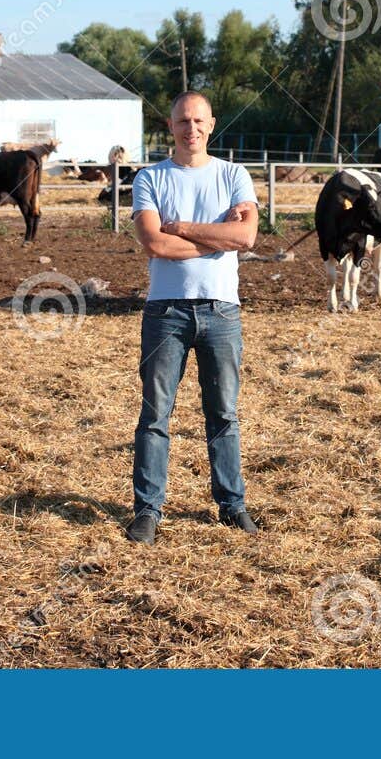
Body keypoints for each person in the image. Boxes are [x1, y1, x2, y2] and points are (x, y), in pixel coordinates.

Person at [124, 91, 260, 544]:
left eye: (199, 120)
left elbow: (247, 236)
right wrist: (219, 236)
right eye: (184, 120)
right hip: (166, 311)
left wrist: (181, 227)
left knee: (223, 412)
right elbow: (154, 245)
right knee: (155, 412)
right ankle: (148, 510)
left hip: (222, 309)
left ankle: (231, 504)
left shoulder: (233, 174)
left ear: (212, 123)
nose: (192, 128)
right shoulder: (150, 177)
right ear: (171, 125)